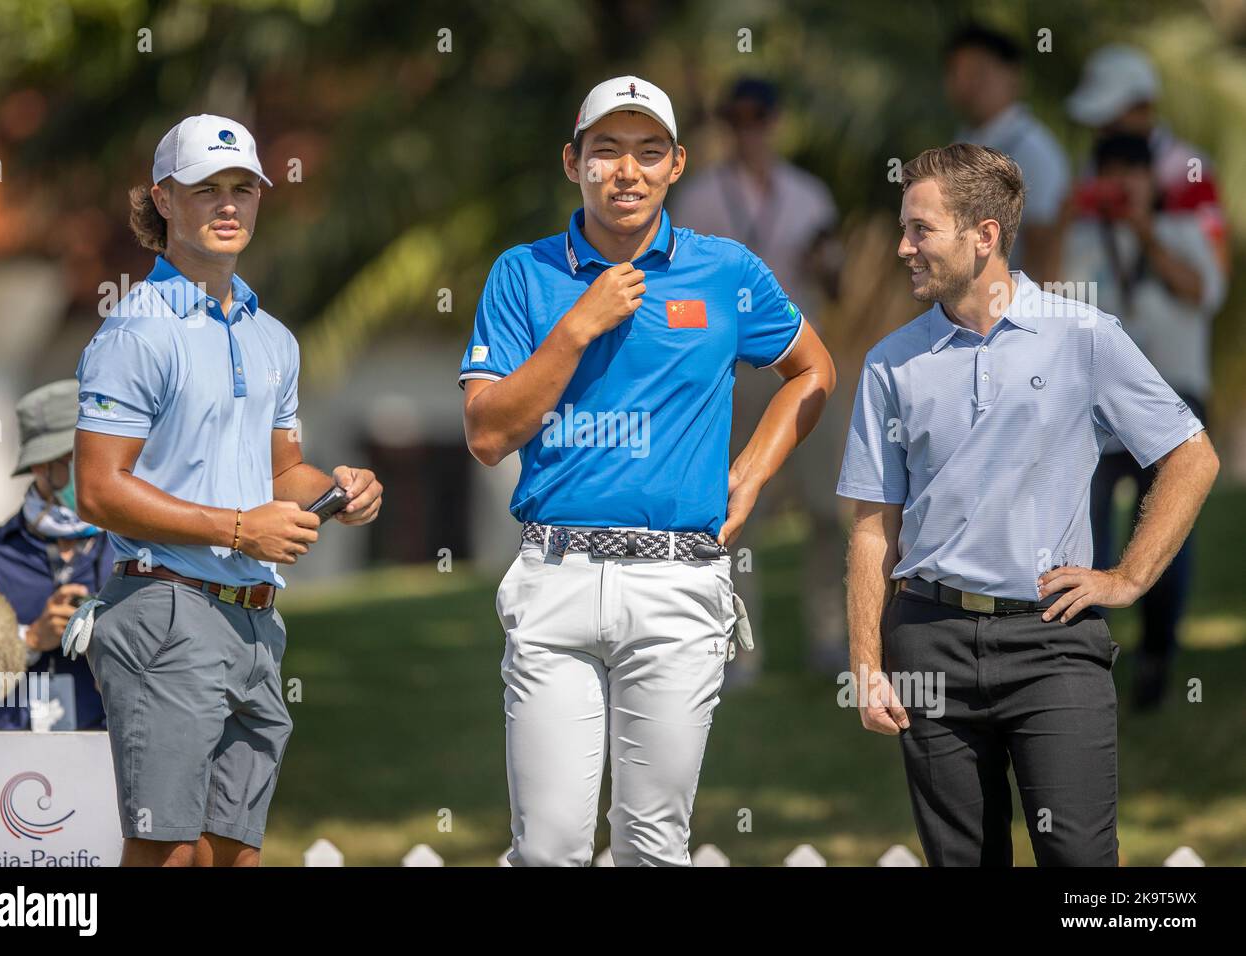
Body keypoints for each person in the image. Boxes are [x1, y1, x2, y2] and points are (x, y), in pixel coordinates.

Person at [461, 76, 835, 866]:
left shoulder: (727, 271)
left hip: (679, 585)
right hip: (554, 578)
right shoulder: (520, 274)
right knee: (551, 846)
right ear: (573, 162)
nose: (625, 171)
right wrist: (577, 326)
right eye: (606, 151)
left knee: (653, 846)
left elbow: (812, 371)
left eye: (648, 152)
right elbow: (489, 434)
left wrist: (753, 472)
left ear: (676, 166)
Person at [838, 143, 1219, 866]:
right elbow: (870, 527)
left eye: (920, 229)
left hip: (1054, 642)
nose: (902, 246)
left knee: (1079, 864)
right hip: (927, 640)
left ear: (984, 236)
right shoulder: (889, 362)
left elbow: (1191, 457)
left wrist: (1129, 576)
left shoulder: (1085, 338)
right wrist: (867, 664)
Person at [73, 114, 383, 867]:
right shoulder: (135, 332)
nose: (228, 204)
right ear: (163, 201)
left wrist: (339, 488)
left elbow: (283, 475)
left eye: (243, 188)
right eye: (205, 188)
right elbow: (96, 492)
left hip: (255, 623)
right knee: (168, 851)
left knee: (234, 854)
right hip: (164, 609)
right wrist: (241, 529)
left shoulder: (272, 338)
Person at [672, 76, 844, 680]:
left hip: (801, 354)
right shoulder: (698, 197)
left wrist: (827, 263)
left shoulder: (809, 194)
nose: (748, 130)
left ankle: (829, 637)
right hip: (732, 363)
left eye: (758, 118)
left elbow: (834, 285)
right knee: (738, 507)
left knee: (828, 505)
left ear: (774, 121)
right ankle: (742, 648)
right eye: (737, 119)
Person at [1061, 132, 1225, 710]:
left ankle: (1158, 654)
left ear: (1152, 179)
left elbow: (1201, 290)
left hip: (1176, 403)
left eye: (1132, 172)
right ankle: (1088, 659)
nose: (1123, 184)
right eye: (1111, 173)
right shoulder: (1082, 238)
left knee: (1167, 537)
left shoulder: (1183, 231)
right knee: (1087, 535)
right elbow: (1058, 309)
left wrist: (1144, 231)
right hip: (1099, 409)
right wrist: (1065, 215)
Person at [0, 379, 114, 731]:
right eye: (77, 457)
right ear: (40, 467)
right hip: (10, 761)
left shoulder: (132, 550)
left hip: (108, 757)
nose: (92, 470)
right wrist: (31, 639)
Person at [1067, 44, 1230, 274]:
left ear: (1144, 108)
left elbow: (1215, 267)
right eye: (1098, 124)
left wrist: (1147, 232)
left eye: (1110, 121)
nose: (1102, 133)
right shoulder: (1090, 166)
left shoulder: (1190, 172)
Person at [944, 23, 1070, 280]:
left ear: (1014, 76)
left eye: (980, 71)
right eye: (959, 71)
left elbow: (1043, 244)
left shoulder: (1033, 150)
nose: (969, 83)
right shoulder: (965, 140)